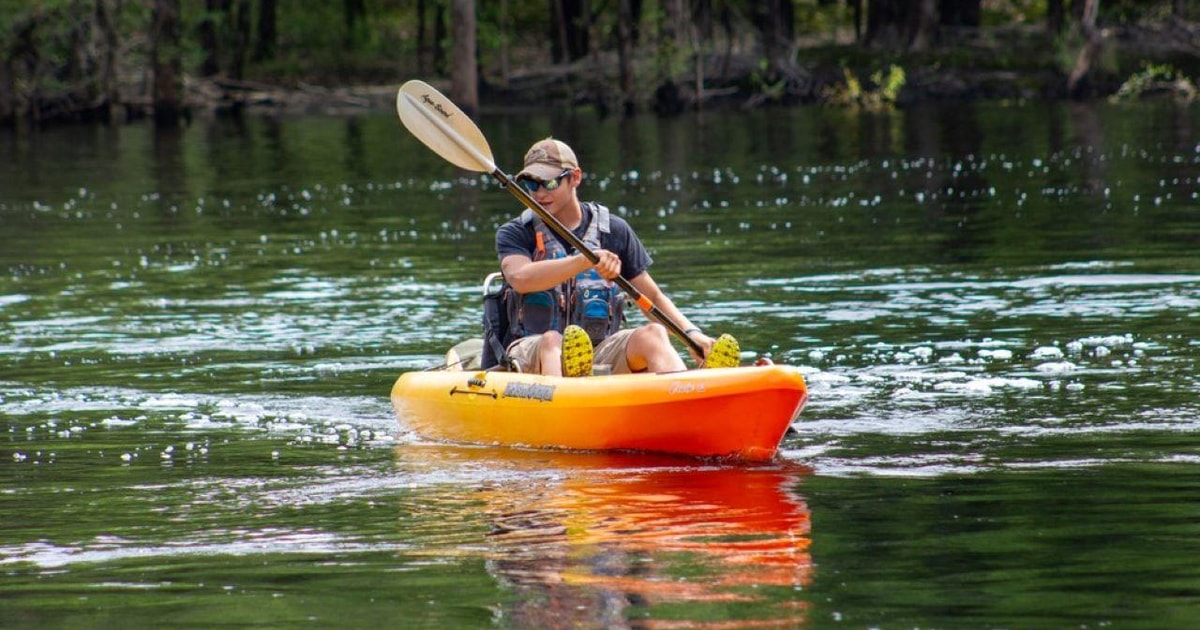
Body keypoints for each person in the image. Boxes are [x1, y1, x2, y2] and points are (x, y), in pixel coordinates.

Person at [494, 137, 739, 377]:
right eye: (531, 185)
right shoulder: (516, 232)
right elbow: (520, 278)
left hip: (598, 350)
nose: (539, 194)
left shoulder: (614, 231)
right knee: (552, 341)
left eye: (548, 184)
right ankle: (566, 410)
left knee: (653, 335)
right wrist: (585, 260)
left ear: (575, 178)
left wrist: (692, 334)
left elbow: (652, 297)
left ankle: (688, 397)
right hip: (531, 352)